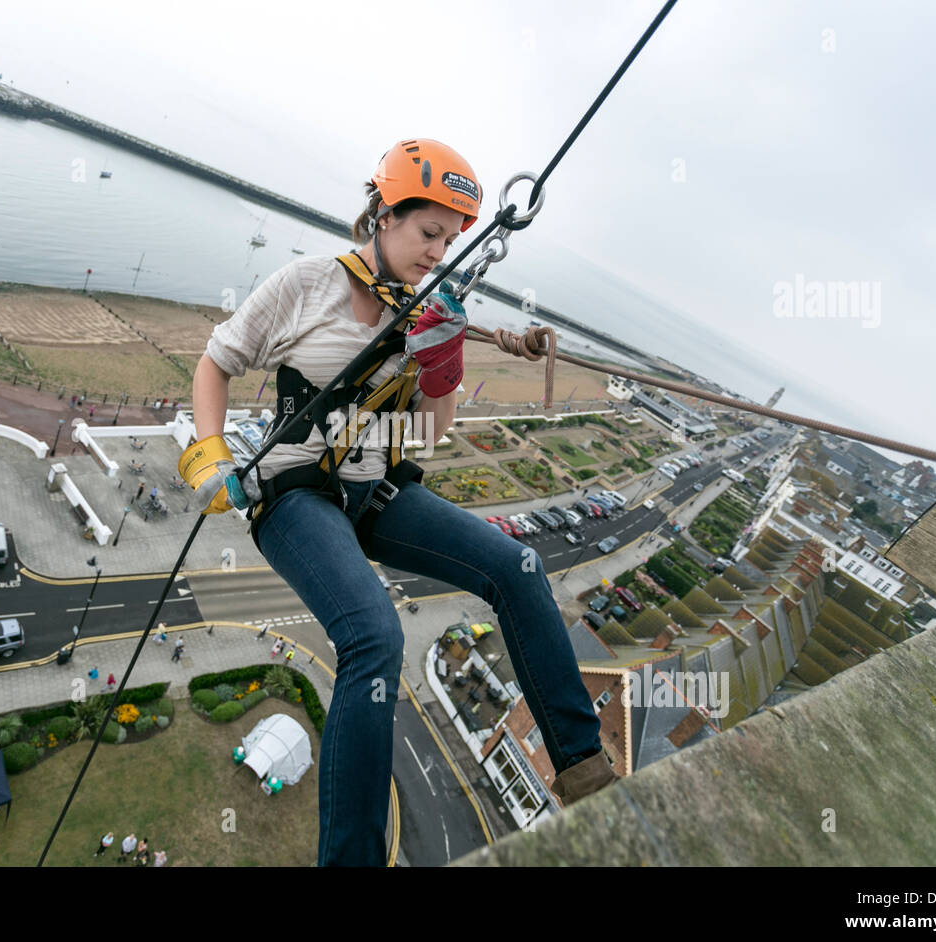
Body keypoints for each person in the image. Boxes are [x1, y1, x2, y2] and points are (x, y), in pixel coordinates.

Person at [180, 139, 615, 867]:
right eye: (428, 233)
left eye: (450, 240)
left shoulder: (428, 312)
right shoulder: (306, 286)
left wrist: (442, 363)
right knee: (374, 637)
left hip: (375, 490)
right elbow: (216, 362)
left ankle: (584, 768)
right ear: (384, 215)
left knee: (520, 566)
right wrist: (211, 453)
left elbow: (423, 436)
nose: (438, 250)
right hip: (294, 494)